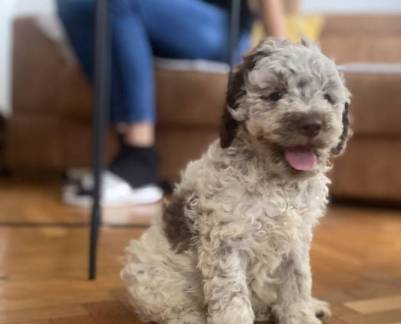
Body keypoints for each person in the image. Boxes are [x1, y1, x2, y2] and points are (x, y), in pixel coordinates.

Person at [56, 0, 288, 206]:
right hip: (158, 17)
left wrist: (283, 57)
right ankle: (125, 137)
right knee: (73, 4)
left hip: (220, 28)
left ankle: (139, 157)